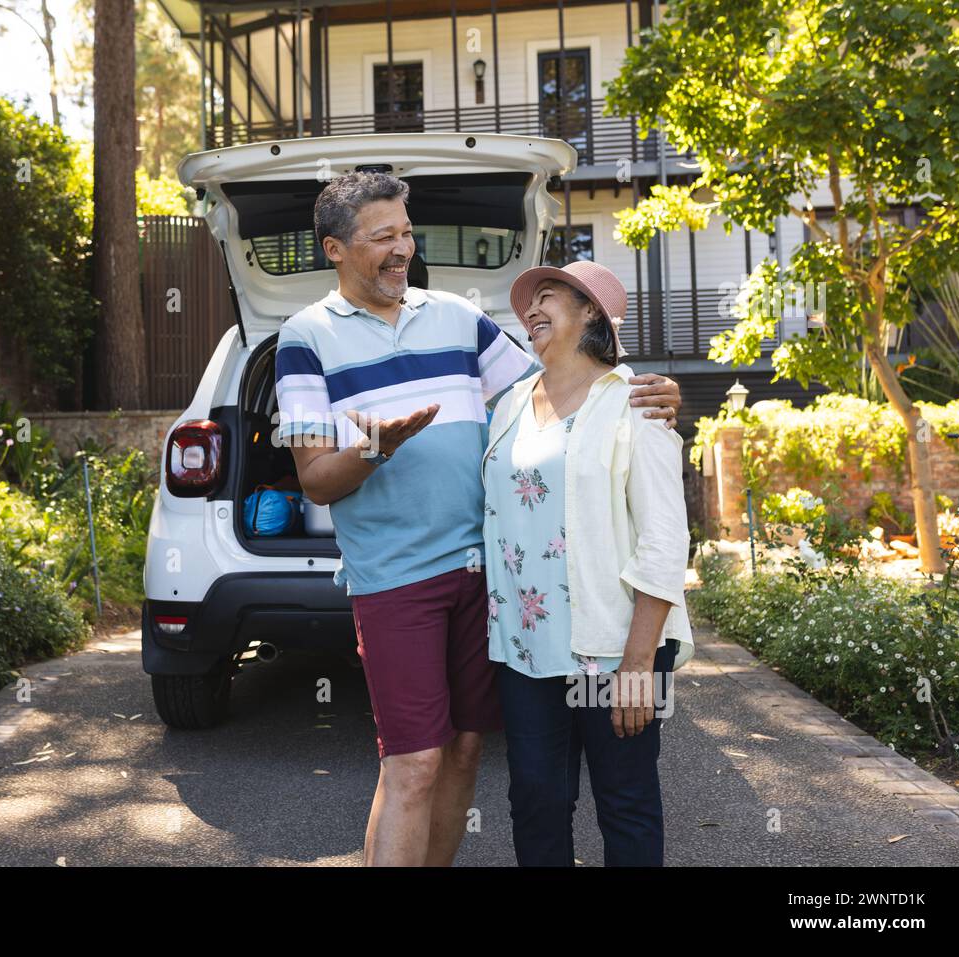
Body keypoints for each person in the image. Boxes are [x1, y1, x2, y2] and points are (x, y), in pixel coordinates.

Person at [273, 171, 683, 867]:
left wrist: (643, 386)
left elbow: (555, 382)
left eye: (406, 232)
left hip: (485, 581)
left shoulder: (460, 320)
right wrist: (377, 447)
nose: (403, 248)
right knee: (414, 762)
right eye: (383, 238)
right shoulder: (304, 337)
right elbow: (314, 480)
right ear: (335, 249)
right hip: (394, 577)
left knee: (465, 747)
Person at [482, 260, 695, 867]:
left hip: (613, 647)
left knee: (625, 804)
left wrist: (636, 667)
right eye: (529, 302)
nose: (531, 309)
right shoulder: (511, 405)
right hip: (525, 648)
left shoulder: (636, 403)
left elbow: (663, 542)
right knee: (536, 804)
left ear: (591, 315)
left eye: (548, 296)